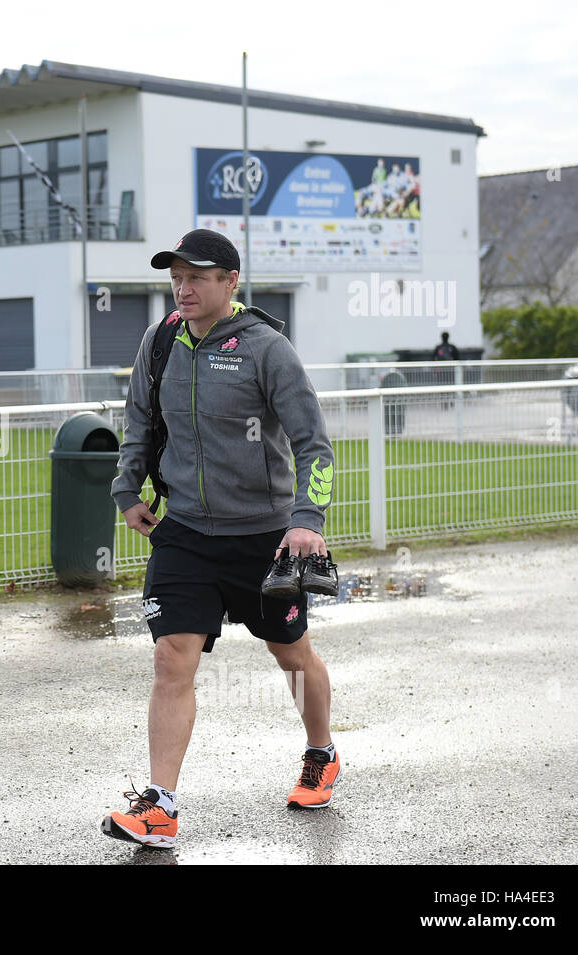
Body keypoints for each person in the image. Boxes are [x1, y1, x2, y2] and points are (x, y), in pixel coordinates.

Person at [101, 228, 340, 849]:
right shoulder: (160, 344)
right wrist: (127, 492)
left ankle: (321, 752)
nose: (184, 287)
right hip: (184, 532)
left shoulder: (268, 349)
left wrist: (306, 519)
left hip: (264, 537)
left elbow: (314, 443)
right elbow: (139, 421)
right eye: (177, 276)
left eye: (198, 277)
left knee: (292, 656)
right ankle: (160, 807)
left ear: (230, 283)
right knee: (169, 659)